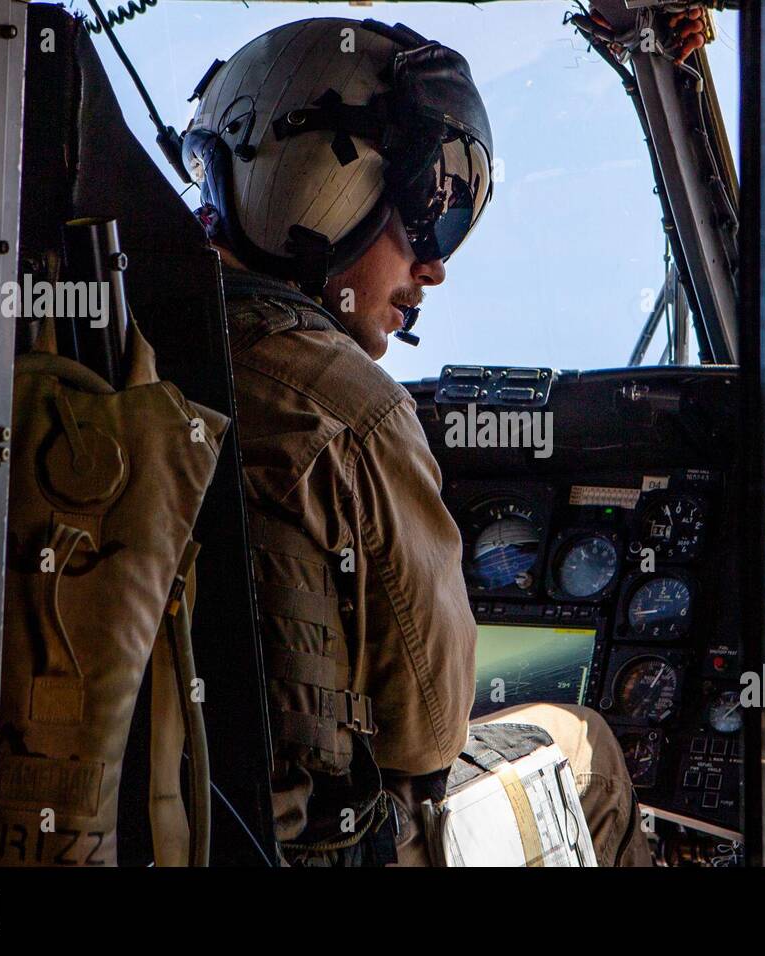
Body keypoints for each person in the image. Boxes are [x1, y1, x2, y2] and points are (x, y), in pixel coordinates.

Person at [183, 16, 651, 866]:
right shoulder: (346, 407)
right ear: (323, 185)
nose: (435, 267)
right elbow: (429, 735)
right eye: (431, 216)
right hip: (327, 851)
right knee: (585, 749)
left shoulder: (121, 343)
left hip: (167, 837)